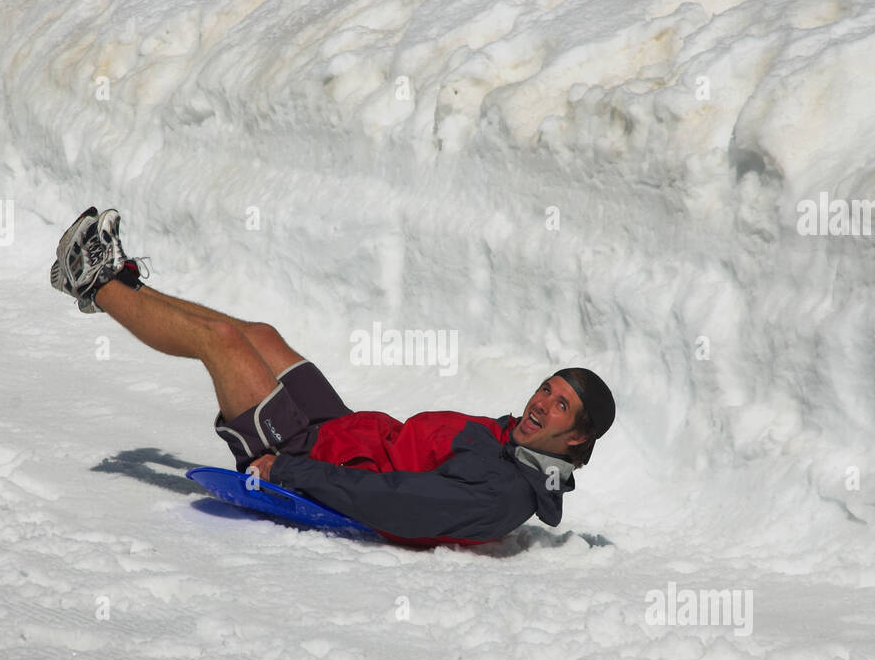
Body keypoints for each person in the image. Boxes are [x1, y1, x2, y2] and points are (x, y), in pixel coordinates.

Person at [51, 207, 615, 546]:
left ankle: (92, 283)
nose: (542, 402)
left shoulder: (505, 495)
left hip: (318, 456)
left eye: (561, 407)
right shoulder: (512, 441)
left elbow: (401, 503)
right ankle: (126, 285)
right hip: (349, 431)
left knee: (221, 345)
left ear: (575, 440)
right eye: (548, 388)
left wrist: (292, 468)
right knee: (262, 335)